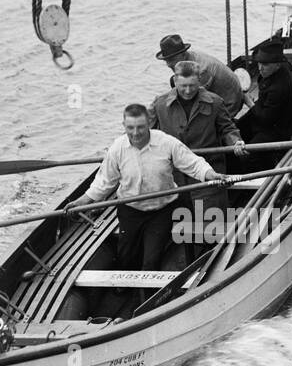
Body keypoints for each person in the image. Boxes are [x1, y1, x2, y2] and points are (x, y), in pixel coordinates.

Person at [66, 104, 225, 271]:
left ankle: (149, 293)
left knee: (151, 260)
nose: (135, 133)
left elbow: (193, 163)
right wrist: (81, 202)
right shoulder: (116, 149)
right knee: (126, 258)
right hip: (130, 209)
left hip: (162, 209)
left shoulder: (166, 142)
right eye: (130, 128)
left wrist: (211, 175)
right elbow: (103, 183)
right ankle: (123, 290)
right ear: (124, 126)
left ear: (149, 123)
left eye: (140, 127)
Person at [150, 61, 250, 252]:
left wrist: (236, 142)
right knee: (182, 224)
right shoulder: (160, 104)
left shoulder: (215, 102)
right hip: (176, 177)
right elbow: (146, 134)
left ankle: (214, 255)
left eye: (192, 86)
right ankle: (189, 254)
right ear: (175, 82)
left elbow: (227, 129)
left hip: (209, 174)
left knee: (213, 226)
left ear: (200, 82)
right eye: (183, 86)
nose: (188, 91)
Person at [238, 40, 292, 169]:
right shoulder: (283, 67)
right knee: (236, 128)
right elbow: (289, 66)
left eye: (265, 64)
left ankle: (264, 170)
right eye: (259, 63)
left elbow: (265, 120)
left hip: (279, 127)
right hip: (266, 110)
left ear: (277, 65)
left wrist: (248, 101)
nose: (260, 68)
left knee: (251, 153)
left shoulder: (278, 88)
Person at [156, 34, 245, 116]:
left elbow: (192, 101)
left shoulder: (201, 70)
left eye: (172, 59)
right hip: (222, 93)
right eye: (166, 60)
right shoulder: (190, 57)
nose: (168, 65)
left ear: (183, 55)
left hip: (230, 104)